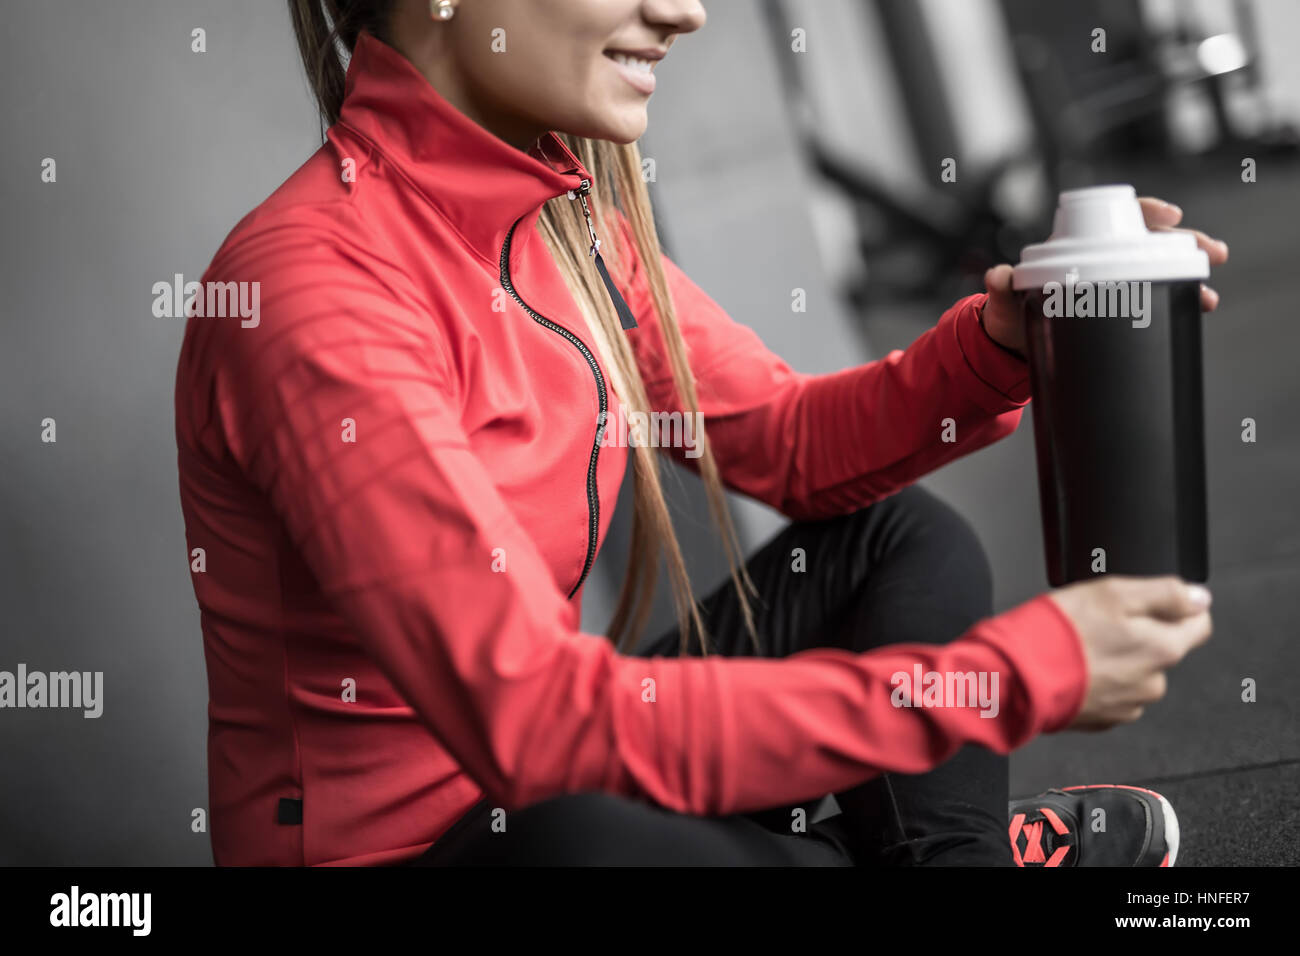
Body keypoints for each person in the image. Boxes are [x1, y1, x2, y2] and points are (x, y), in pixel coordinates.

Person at [174, 0, 1227, 866]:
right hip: (452, 844)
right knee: (576, 836)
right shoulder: (310, 290)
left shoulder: (562, 227)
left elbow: (791, 442)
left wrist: (1002, 342)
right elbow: (531, 725)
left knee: (902, 540)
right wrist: (995, 681)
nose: (683, 11)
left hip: (555, 783)